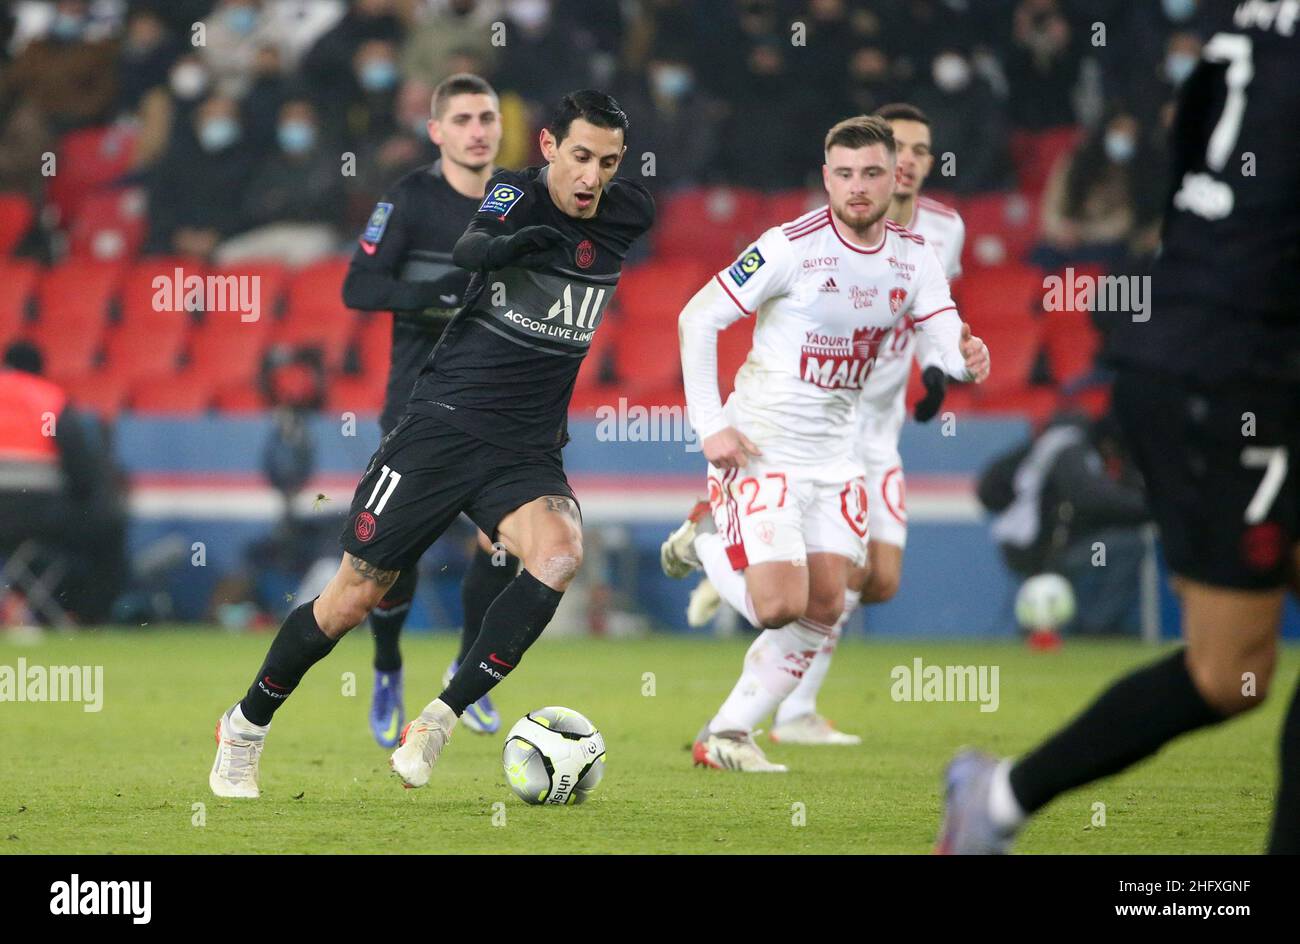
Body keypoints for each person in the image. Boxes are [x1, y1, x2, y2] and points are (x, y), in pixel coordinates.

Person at [210, 89, 654, 798]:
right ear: (547, 148)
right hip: (443, 425)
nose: (590, 178)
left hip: (526, 446)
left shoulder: (630, 212)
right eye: (578, 157)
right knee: (351, 599)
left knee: (560, 552)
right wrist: (510, 248)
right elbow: (475, 243)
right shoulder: (513, 190)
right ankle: (246, 724)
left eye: (607, 162)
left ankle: (441, 716)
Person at [938, 4, 1300, 855]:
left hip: (1223, 355)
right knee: (1230, 674)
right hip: (1226, 374)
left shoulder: (1233, 41)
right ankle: (998, 802)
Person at [660, 114, 989, 772]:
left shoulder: (914, 255)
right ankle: (704, 539)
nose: (858, 187)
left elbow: (942, 327)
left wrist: (963, 356)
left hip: (837, 456)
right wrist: (710, 426)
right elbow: (698, 317)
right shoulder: (789, 246)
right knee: (778, 606)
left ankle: (726, 735)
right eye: (844, 175)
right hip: (763, 444)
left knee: (827, 604)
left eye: (871, 173)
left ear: (895, 175)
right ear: (826, 178)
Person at [339, 73, 517, 747]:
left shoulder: (518, 199)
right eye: (464, 118)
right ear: (437, 131)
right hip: (417, 401)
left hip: (498, 403)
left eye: (488, 115)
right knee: (397, 552)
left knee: (504, 539)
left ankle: (467, 668)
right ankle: (387, 668)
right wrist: (438, 292)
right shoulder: (410, 198)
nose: (478, 129)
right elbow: (358, 286)